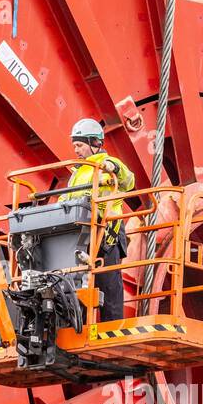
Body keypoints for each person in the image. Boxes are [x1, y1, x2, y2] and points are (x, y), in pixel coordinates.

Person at [68, 118, 135, 322]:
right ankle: (80, 326)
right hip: (84, 233)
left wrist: (111, 166)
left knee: (108, 284)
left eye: (79, 145)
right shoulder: (77, 173)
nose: (76, 150)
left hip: (107, 234)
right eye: (74, 146)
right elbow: (68, 198)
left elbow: (129, 180)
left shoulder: (107, 164)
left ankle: (111, 328)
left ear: (95, 143)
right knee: (76, 282)